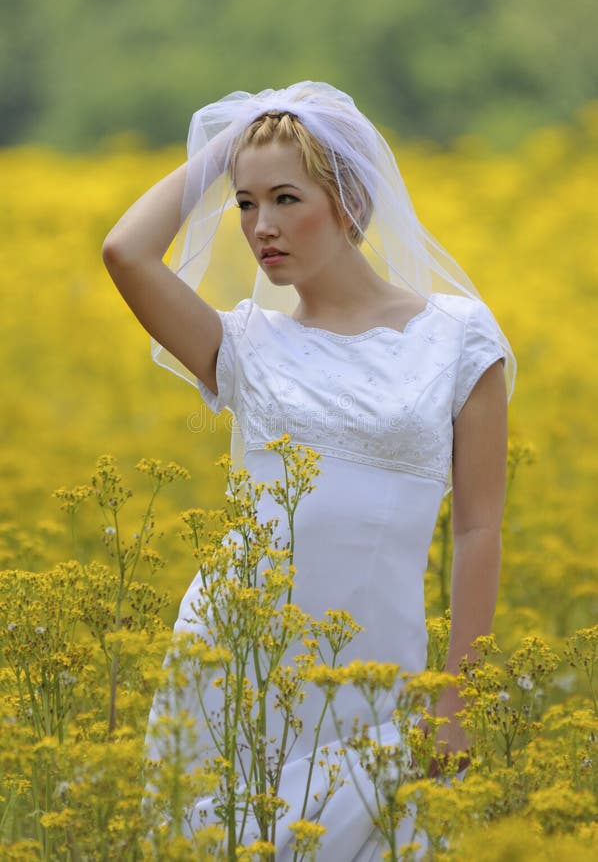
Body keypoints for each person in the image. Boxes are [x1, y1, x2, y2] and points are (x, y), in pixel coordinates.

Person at [102, 82, 515, 859]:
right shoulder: (244, 344)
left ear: (352, 199)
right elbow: (124, 252)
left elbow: (478, 527)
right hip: (229, 668)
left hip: (382, 694)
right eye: (246, 204)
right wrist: (233, 142)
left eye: (287, 198)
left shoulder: (460, 338)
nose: (262, 227)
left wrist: (459, 699)